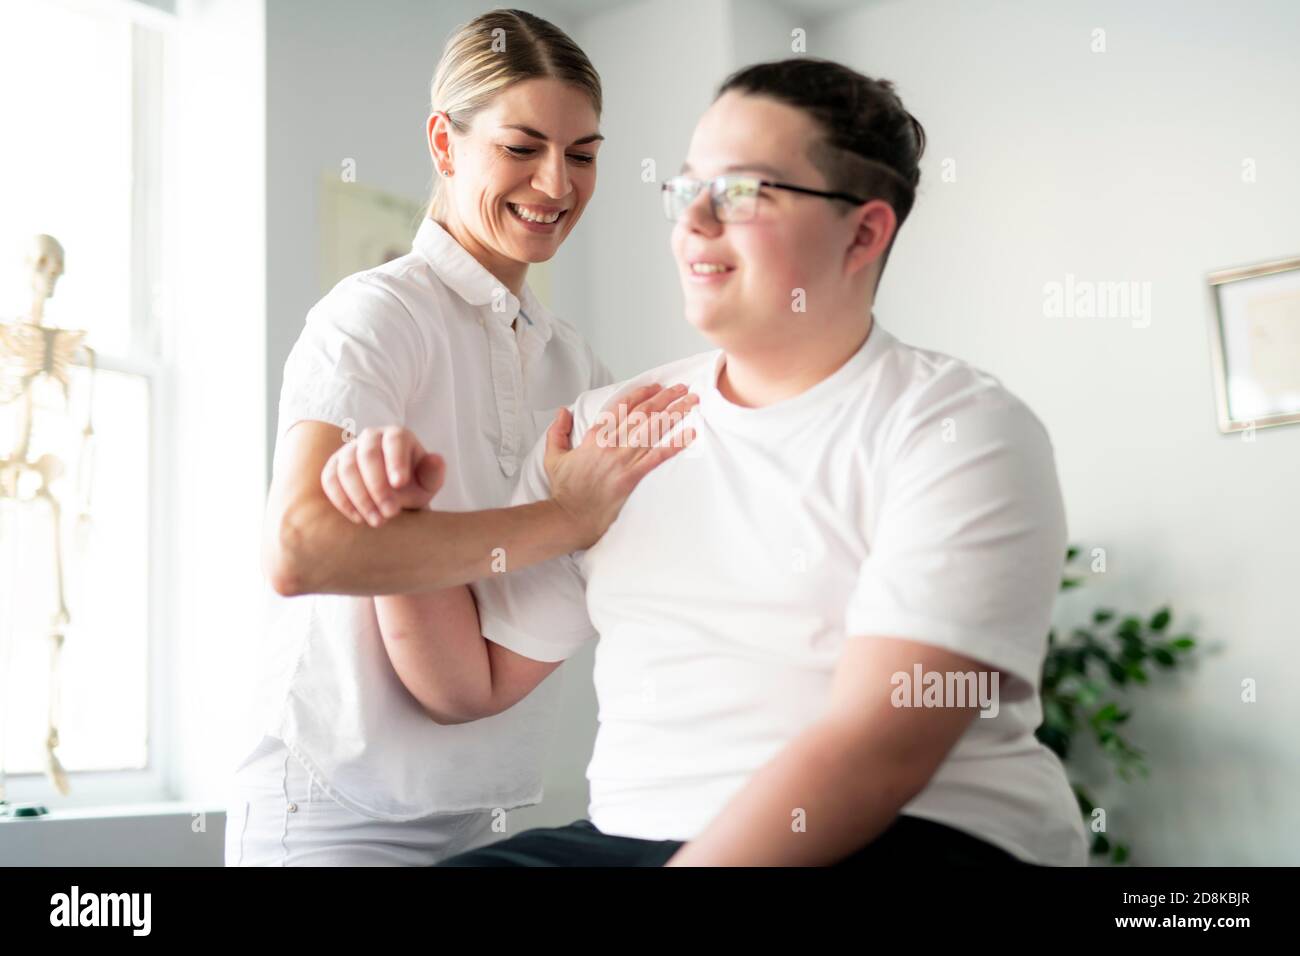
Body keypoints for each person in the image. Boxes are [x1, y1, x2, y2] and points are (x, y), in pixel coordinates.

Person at [332, 56, 1091, 867]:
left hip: (913, 830)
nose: (692, 222)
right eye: (686, 188)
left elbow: (881, 748)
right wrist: (399, 524)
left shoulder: (958, 428)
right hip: (631, 838)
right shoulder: (610, 430)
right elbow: (466, 685)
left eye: (740, 193)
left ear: (864, 231)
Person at [224, 8, 696, 867]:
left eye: (583, 154)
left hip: (478, 812)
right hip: (331, 811)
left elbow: (473, 677)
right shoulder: (375, 314)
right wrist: (567, 517)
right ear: (445, 143)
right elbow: (298, 550)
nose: (556, 184)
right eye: (522, 148)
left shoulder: (575, 368)